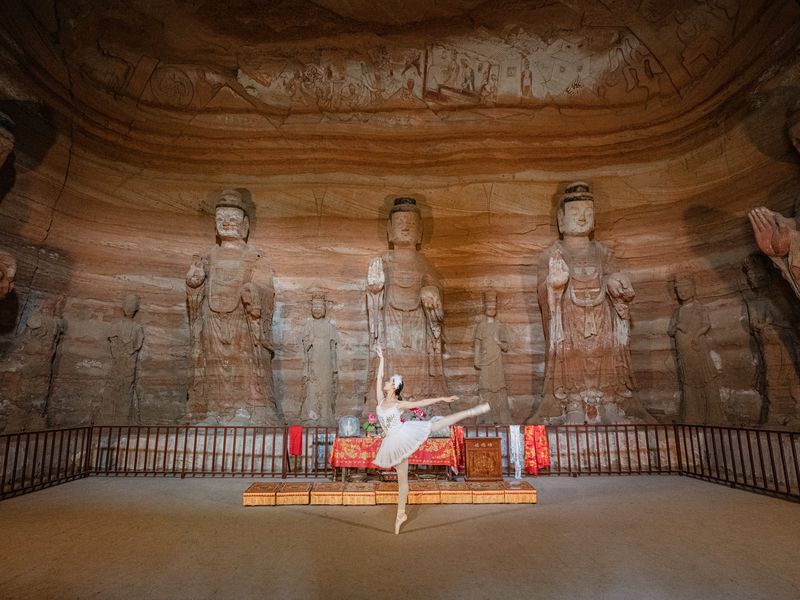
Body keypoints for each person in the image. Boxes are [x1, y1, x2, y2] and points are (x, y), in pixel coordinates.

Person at [372, 344, 490, 534]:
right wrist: (382, 358)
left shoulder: (399, 404)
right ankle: (401, 515)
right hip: (392, 441)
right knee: (402, 480)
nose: (385, 382)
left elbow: (421, 403)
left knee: (435, 426)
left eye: (389, 381)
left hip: (403, 435)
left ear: (394, 386)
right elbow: (377, 378)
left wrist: (442, 399)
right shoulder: (380, 400)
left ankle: (471, 411)